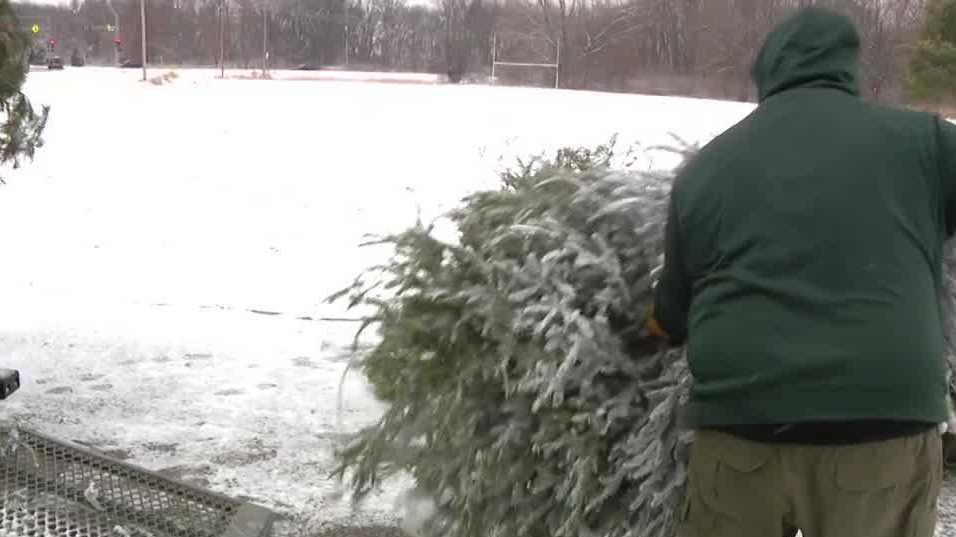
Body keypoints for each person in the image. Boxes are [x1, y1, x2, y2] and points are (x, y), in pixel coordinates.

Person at [646, 6, 954, 537]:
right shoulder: (924, 143)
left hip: (743, 430)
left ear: (767, 72)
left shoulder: (707, 169)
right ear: (849, 67)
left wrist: (647, 332)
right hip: (880, 428)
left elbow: (674, 310)